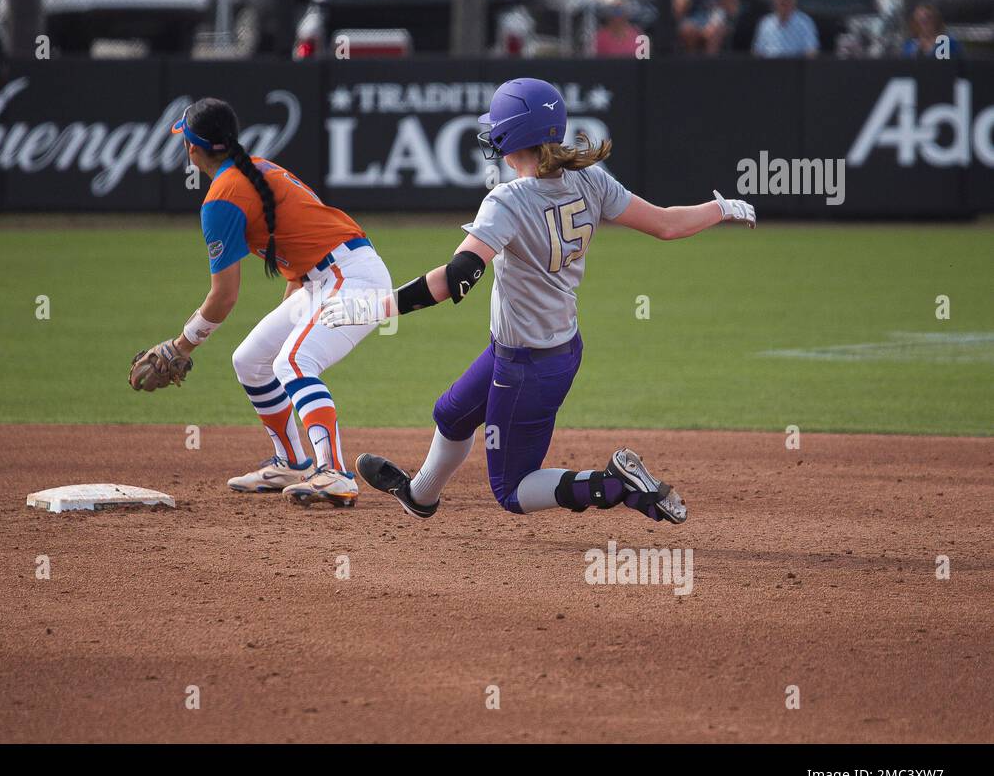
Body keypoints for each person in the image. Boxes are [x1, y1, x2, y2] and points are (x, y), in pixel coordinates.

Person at [323, 78, 756, 522]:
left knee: (512, 490)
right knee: (451, 414)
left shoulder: (507, 200)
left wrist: (371, 308)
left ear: (509, 139)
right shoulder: (590, 181)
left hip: (527, 364)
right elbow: (665, 224)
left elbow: (456, 279)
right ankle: (420, 495)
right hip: (548, 348)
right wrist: (721, 209)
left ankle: (614, 485)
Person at [130, 97, 393, 508]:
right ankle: (292, 461)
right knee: (251, 359)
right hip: (329, 279)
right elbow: (299, 247)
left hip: (353, 281)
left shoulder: (221, 198)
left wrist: (180, 346)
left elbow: (224, 296)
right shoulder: (258, 168)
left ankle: (336, 473)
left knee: (293, 362)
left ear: (191, 148)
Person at [751, 0, 820, 58]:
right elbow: (758, 50)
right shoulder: (765, 23)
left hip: (796, 66)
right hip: (770, 66)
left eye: (785, 1)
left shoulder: (805, 22)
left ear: (792, 2)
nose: (781, 4)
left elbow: (812, 50)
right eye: (777, 1)